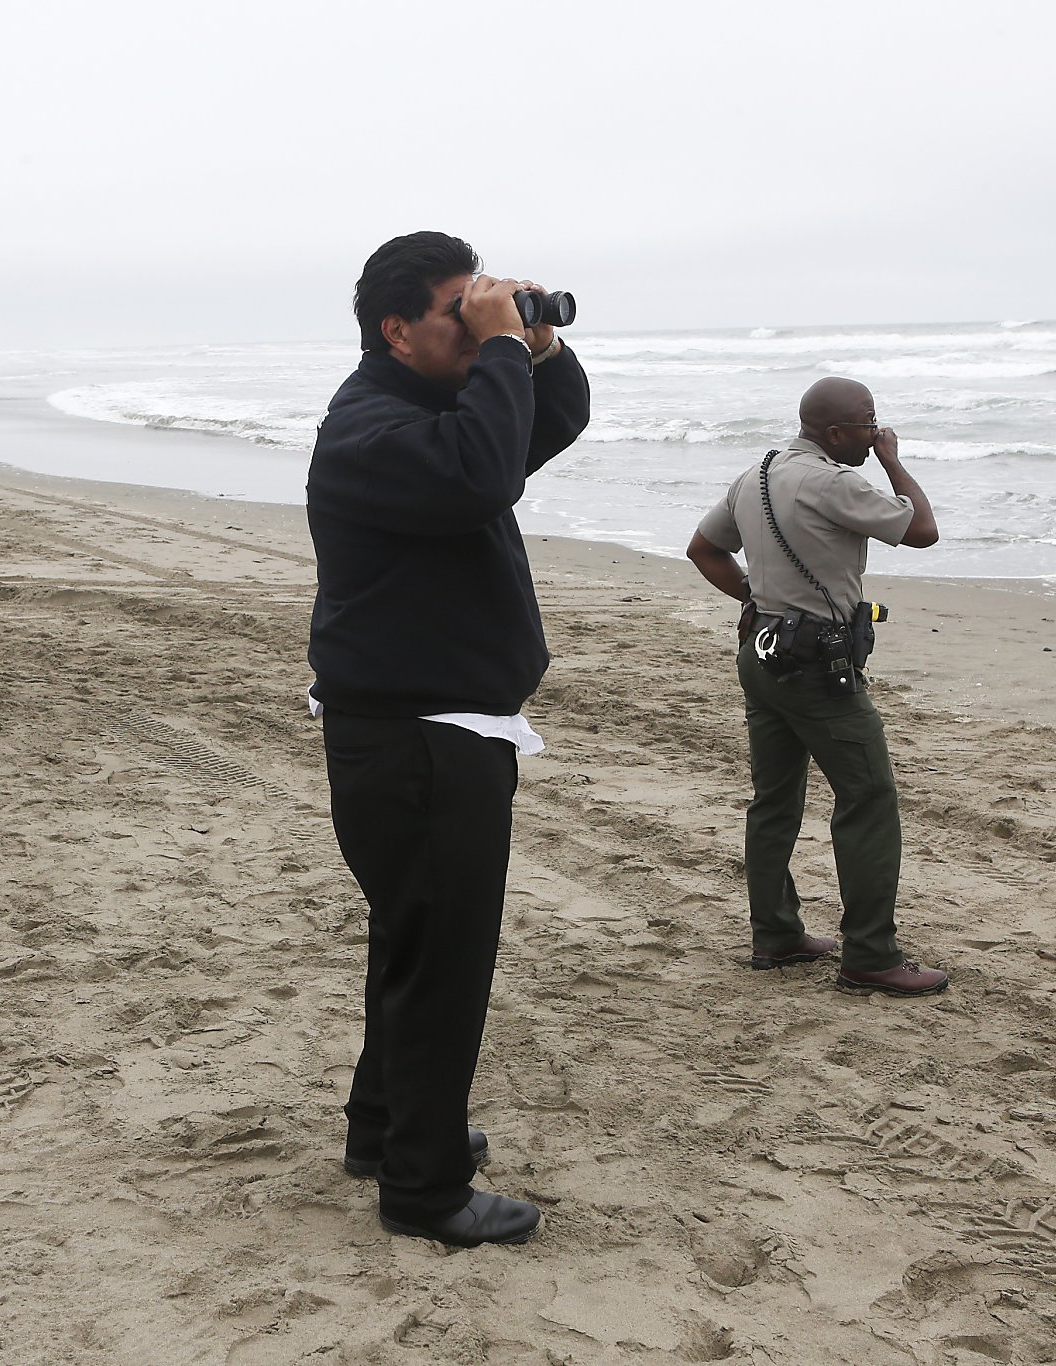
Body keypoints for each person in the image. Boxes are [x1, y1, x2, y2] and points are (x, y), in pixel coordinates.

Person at [306, 230, 590, 1247]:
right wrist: (501, 351)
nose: (479, 329)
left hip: (425, 730)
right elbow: (482, 476)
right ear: (395, 331)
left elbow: (539, 430)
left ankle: (383, 1132)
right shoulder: (369, 431)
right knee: (443, 963)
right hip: (418, 739)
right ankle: (423, 1190)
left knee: (413, 943)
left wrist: (533, 346)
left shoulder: (426, 409)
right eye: (455, 314)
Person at [684, 376, 949, 997]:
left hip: (762, 652)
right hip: (816, 670)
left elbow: (703, 549)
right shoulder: (835, 481)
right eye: (869, 424)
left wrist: (758, 599)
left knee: (774, 799)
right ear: (836, 433)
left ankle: (775, 933)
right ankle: (870, 954)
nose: (876, 432)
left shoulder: (758, 475)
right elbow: (921, 529)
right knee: (869, 798)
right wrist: (893, 460)